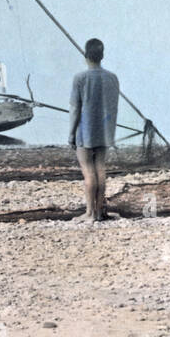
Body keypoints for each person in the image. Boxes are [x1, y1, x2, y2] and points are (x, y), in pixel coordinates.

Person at [70, 37, 120, 223]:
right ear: (102, 55)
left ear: (86, 55)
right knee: (100, 170)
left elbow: (75, 108)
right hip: (105, 131)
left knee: (89, 173)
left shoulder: (80, 78)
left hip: (85, 132)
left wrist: (70, 134)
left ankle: (90, 213)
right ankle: (99, 212)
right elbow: (113, 107)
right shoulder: (112, 78)